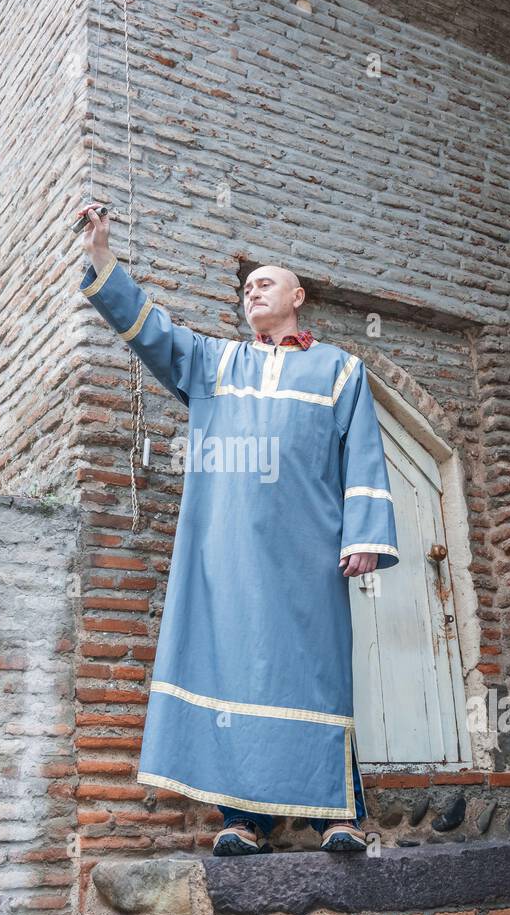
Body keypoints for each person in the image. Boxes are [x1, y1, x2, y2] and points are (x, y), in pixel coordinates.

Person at [76, 204, 399, 856]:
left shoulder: (339, 370)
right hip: (227, 557)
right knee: (236, 675)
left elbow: (363, 453)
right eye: (246, 286)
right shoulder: (215, 363)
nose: (253, 290)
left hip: (309, 554)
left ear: (298, 297)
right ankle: (243, 822)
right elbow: (150, 331)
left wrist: (363, 534)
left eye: (267, 283)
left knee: (317, 675)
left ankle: (337, 816)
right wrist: (104, 260)